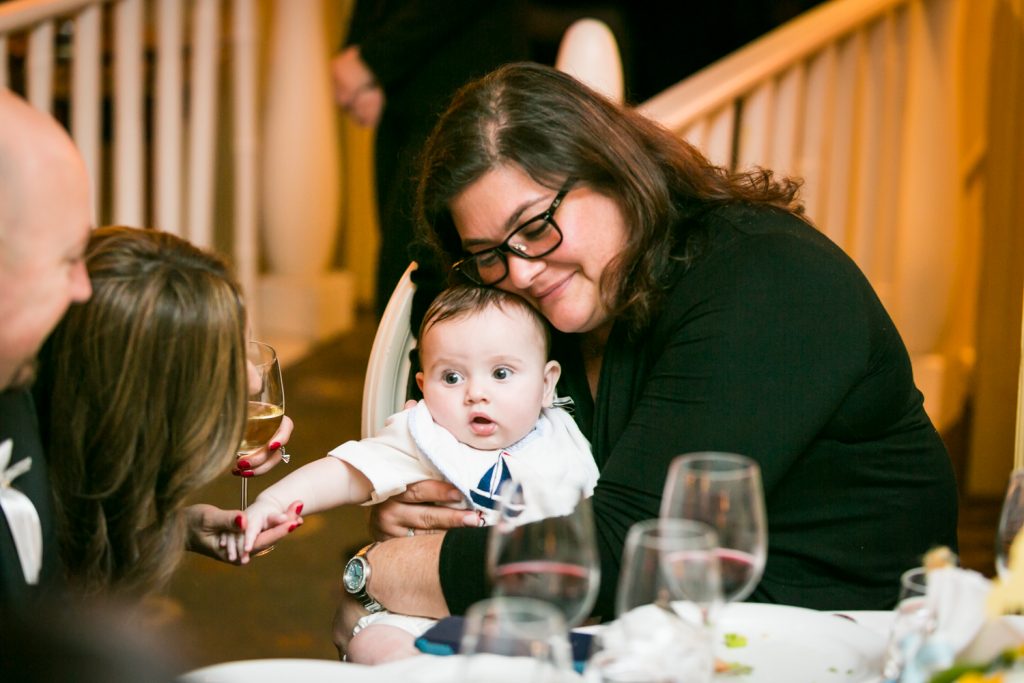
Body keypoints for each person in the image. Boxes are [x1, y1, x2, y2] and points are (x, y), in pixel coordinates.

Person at [332, 61, 960, 645]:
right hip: (664, 629)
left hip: (845, 637)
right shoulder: (558, 303)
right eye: (491, 252)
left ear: (611, 169)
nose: (520, 271)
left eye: (535, 225)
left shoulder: (768, 279)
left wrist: (376, 569)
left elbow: (622, 550)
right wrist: (428, 498)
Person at [238, 284, 597, 662]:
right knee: (372, 644)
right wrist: (273, 501)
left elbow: (598, 529)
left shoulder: (562, 442)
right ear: (424, 386)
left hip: (537, 617)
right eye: (453, 378)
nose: (476, 392)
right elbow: (345, 472)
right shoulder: (426, 435)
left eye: (501, 373)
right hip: (428, 611)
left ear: (546, 384)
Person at [28, 225, 302, 598]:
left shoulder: (78, 471)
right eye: (223, 361)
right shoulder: (24, 531)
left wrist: (178, 528)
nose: (254, 382)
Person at [332, 0, 529, 316]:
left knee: (426, 266)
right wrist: (358, 55)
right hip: (401, 87)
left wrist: (371, 61)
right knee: (403, 269)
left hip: (462, 75)